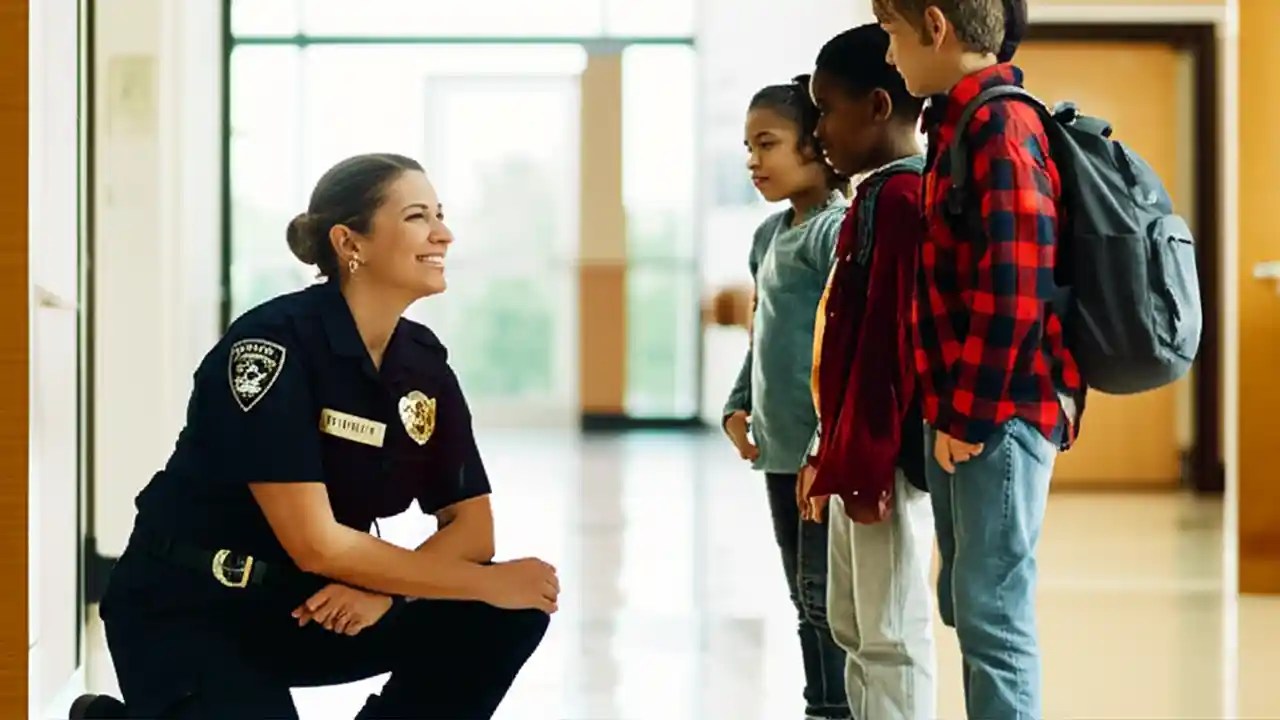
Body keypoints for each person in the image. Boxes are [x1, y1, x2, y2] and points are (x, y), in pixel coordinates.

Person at [70, 153, 559, 720]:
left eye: (441, 215)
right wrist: (456, 583)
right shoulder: (272, 347)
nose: (443, 234)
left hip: (310, 607)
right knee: (485, 588)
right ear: (351, 243)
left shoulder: (422, 366)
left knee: (507, 608)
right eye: (417, 216)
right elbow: (316, 543)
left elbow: (473, 529)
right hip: (194, 609)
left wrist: (389, 592)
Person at [874, 1, 1083, 718]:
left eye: (893, 33)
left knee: (994, 618)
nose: (889, 53)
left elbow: (1017, 284)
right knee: (968, 602)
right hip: (964, 411)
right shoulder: (956, 122)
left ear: (936, 26)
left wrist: (967, 413)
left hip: (998, 412)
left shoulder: (1000, 124)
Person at [801, 23, 936, 720]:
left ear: (879, 107)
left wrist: (862, 461)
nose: (817, 127)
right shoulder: (873, 197)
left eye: (828, 109)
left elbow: (888, 349)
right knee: (854, 628)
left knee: (889, 635)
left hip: (885, 460)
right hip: (855, 450)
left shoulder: (905, 202)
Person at [722, 77, 851, 720]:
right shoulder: (769, 236)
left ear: (818, 146)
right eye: (748, 146)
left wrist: (821, 445)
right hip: (777, 449)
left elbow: (845, 344)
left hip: (818, 456)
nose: (753, 160)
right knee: (803, 595)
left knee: (823, 597)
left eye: (767, 143)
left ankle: (830, 708)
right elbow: (760, 330)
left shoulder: (835, 232)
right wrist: (737, 401)